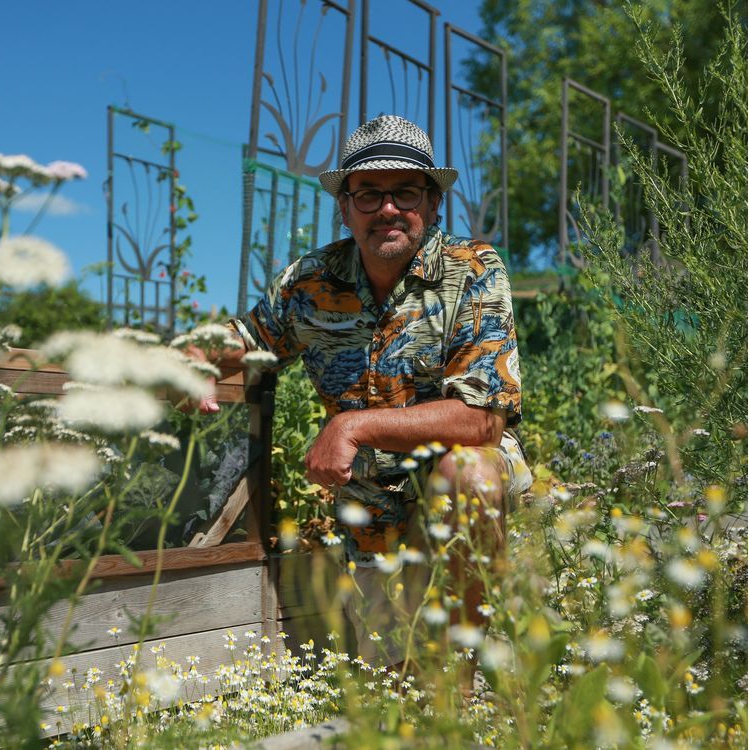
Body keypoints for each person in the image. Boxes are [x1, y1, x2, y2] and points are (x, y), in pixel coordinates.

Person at [194, 114, 532, 669]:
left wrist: (351, 425)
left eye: (405, 191)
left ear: (433, 203)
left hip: (460, 486)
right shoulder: (311, 281)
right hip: (371, 510)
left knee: (467, 473)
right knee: (392, 686)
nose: (388, 208)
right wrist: (194, 355)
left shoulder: (472, 271)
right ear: (346, 208)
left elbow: (483, 418)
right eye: (369, 194)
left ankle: (467, 686)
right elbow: (251, 336)